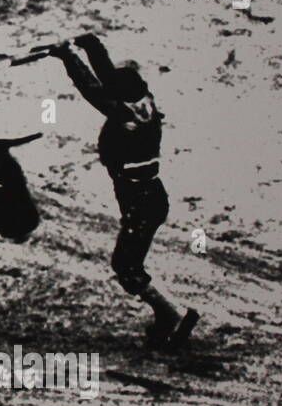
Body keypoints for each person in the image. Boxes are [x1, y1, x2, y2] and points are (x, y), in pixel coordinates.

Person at [49, 34, 199, 350]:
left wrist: (67, 57)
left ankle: (174, 315)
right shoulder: (144, 103)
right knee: (130, 265)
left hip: (140, 203)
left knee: (126, 267)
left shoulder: (125, 116)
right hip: (151, 197)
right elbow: (106, 82)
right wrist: (88, 45)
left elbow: (92, 90)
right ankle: (168, 316)